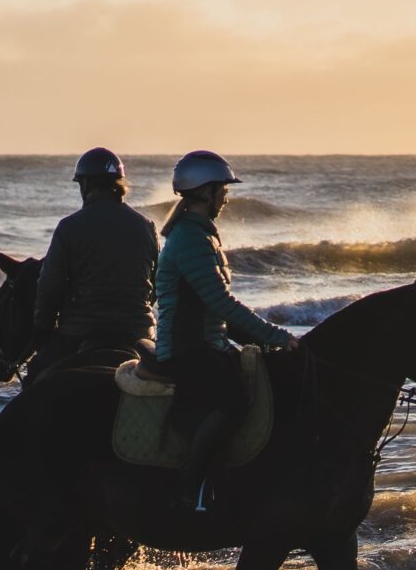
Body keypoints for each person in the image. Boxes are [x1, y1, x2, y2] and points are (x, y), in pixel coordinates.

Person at [154, 150, 301, 506]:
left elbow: (214, 311)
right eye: (222, 189)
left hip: (207, 343)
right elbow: (221, 304)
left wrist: (262, 345)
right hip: (186, 349)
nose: (226, 196)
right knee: (234, 399)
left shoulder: (201, 235)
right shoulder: (190, 239)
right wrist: (278, 337)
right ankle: (193, 486)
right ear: (205, 192)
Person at [28, 147, 160, 380]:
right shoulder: (145, 226)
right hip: (138, 333)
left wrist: (43, 328)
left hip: (80, 333)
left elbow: (50, 286)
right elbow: (157, 283)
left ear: (86, 185)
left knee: (37, 371)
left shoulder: (69, 227)